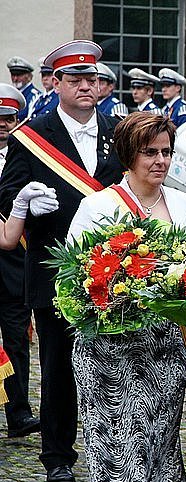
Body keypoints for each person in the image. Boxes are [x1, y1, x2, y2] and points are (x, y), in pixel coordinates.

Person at [64, 112, 186, 482]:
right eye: (149, 152)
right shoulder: (98, 206)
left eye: (165, 152)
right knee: (118, 459)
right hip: (109, 355)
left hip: (165, 352)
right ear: (128, 154)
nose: (159, 161)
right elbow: (70, 281)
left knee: (156, 452)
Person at [0, 39, 126, 482]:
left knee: (115, 365)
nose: (86, 87)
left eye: (92, 79)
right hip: (54, 268)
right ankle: (58, 456)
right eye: (75, 80)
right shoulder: (32, 137)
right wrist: (24, 203)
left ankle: (116, 454)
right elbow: (5, 195)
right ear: (55, 83)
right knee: (58, 366)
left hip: (116, 270)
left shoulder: (119, 131)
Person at [0, 83, 60, 441]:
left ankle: (18, 411)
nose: (3, 125)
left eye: (8, 119)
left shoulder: (31, 154)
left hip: (16, 262)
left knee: (17, 341)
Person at [6, 56, 40, 121]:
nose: (15, 79)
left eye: (19, 75)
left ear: (29, 76)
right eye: (13, 75)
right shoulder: (11, 94)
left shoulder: (35, 97)